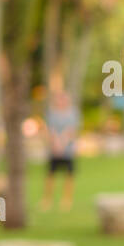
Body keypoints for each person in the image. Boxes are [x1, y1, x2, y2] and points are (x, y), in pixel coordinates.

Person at [42, 75, 80, 213]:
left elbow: (72, 130)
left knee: (69, 175)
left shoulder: (72, 113)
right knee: (50, 174)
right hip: (54, 149)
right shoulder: (52, 113)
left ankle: (67, 200)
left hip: (68, 149)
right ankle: (47, 199)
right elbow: (49, 129)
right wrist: (56, 143)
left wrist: (63, 142)